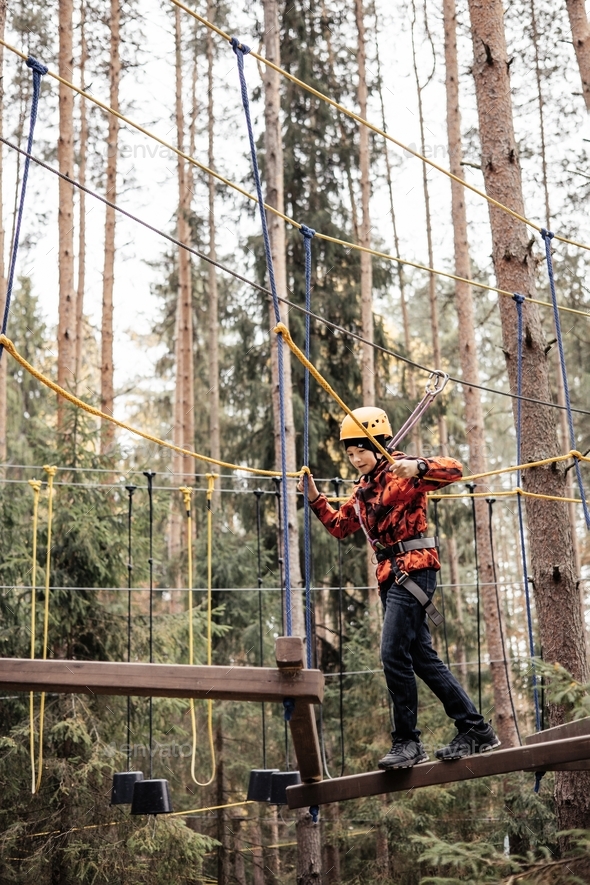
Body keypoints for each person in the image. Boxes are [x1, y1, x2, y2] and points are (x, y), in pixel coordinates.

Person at [298, 406, 499, 770]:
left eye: (361, 450)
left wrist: (419, 467)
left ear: (378, 446)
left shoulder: (401, 470)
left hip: (413, 569)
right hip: (392, 576)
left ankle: (407, 741)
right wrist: (315, 498)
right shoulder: (364, 490)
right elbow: (341, 527)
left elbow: (454, 469)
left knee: (393, 653)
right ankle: (476, 729)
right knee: (421, 657)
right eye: (350, 453)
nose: (356, 458)